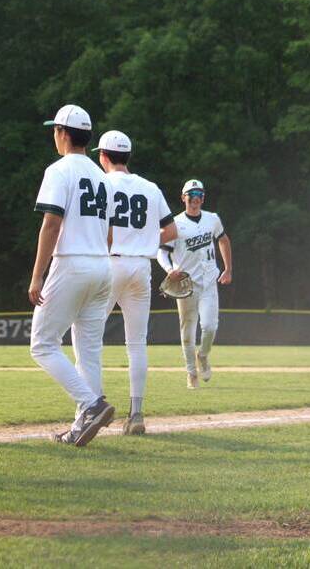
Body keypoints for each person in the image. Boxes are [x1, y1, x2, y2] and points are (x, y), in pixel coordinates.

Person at [28, 105, 116, 447]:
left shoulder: (59, 170)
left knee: (42, 343)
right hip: (102, 266)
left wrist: (37, 276)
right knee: (89, 351)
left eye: (55, 130)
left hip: (73, 264)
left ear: (63, 133)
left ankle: (91, 405)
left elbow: (51, 224)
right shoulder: (101, 177)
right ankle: (82, 424)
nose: (54, 135)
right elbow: (108, 233)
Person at [79, 130, 175, 435]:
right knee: (136, 343)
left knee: (90, 337)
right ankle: (136, 414)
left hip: (110, 263)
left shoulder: (101, 182)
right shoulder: (150, 187)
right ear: (128, 156)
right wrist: (146, 239)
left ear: (103, 156)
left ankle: (89, 408)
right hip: (142, 267)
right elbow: (171, 231)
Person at [156, 180, 233, 389]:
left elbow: (223, 240)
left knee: (209, 326)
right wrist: (170, 270)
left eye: (199, 193)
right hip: (185, 284)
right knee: (188, 330)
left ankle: (204, 355)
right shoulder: (175, 223)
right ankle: (191, 373)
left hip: (208, 281)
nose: (196, 197)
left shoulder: (212, 219)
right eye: (191, 194)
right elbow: (161, 251)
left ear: (203, 197)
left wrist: (227, 269)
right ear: (183, 197)